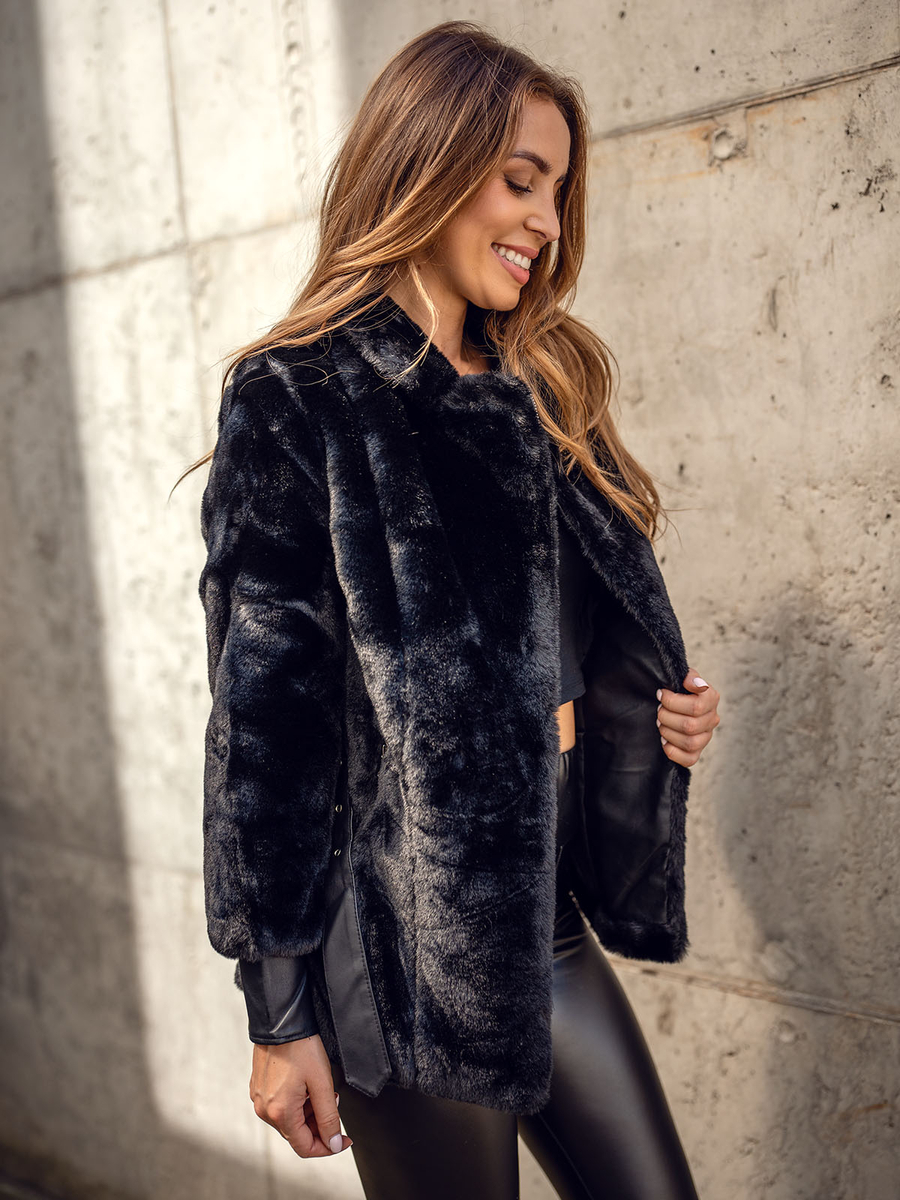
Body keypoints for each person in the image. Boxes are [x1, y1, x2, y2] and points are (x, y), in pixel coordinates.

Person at [194, 20, 721, 1200]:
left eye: (558, 192)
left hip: (550, 924)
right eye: (520, 181)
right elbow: (264, 739)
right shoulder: (300, 398)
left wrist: (655, 722)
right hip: (403, 955)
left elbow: (573, 654)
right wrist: (280, 1014)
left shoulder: (540, 387)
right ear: (427, 164)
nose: (547, 222)